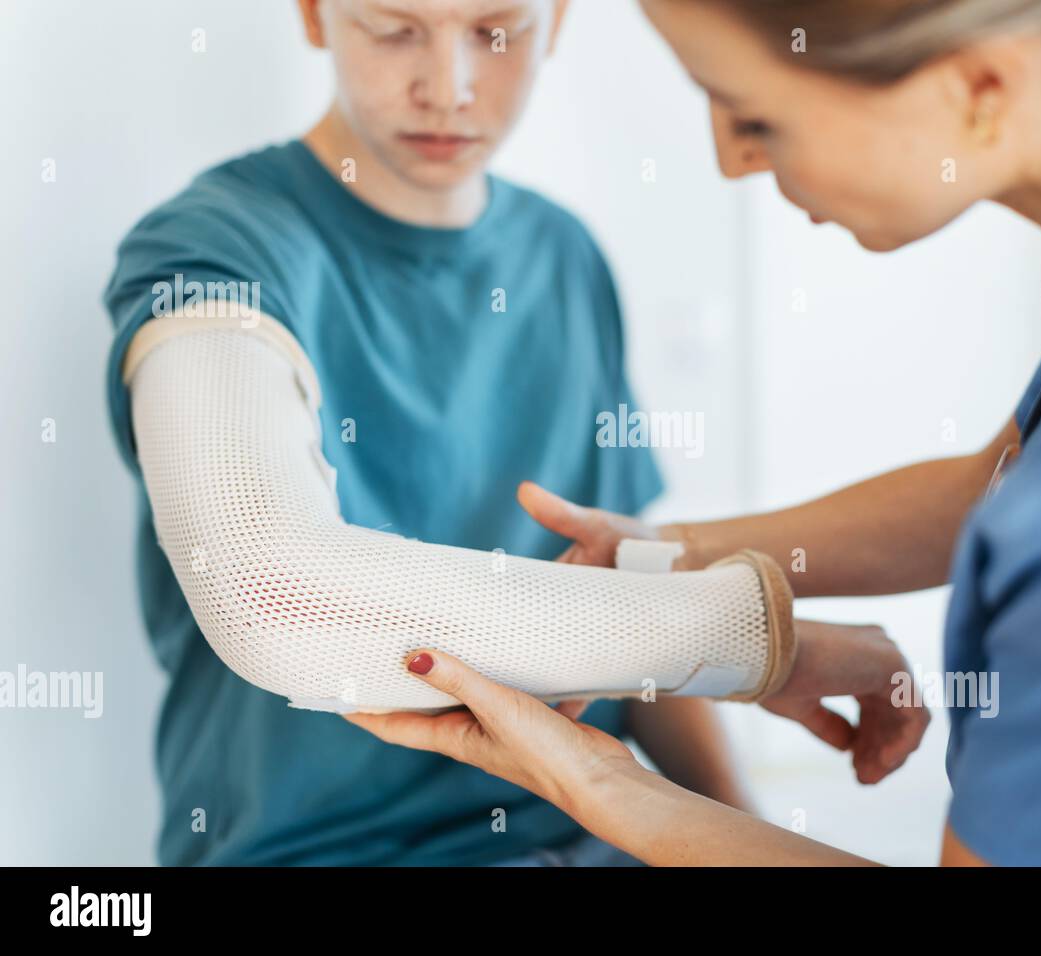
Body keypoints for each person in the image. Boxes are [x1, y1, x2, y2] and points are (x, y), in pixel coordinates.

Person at [347, 0, 1041, 864]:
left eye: (754, 116)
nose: (730, 160)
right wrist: (667, 556)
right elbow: (992, 484)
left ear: (979, 87)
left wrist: (603, 784)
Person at [102, 0, 758, 866]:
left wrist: (747, 827)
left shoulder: (564, 255)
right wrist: (756, 640)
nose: (448, 89)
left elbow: (630, 577)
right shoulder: (213, 247)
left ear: (557, 21)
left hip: (591, 837)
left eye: (496, 32)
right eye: (394, 28)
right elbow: (265, 578)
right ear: (314, 13)